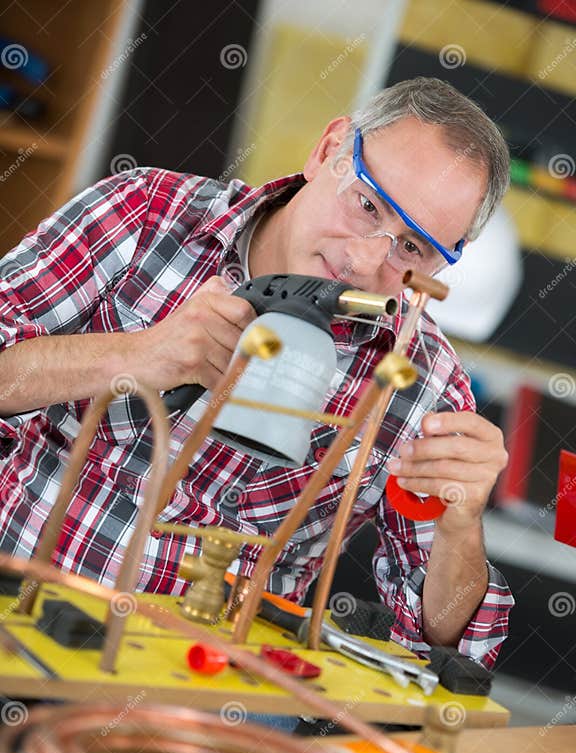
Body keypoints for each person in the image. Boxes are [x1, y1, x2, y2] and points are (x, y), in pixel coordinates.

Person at [0, 77, 513, 671]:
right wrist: (135, 355)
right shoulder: (144, 216)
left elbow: (447, 645)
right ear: (328, 150)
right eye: (367, 204)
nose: (363, 260)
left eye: (413, 249)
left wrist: (460, 524)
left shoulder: (420, 383)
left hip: (201, 691)